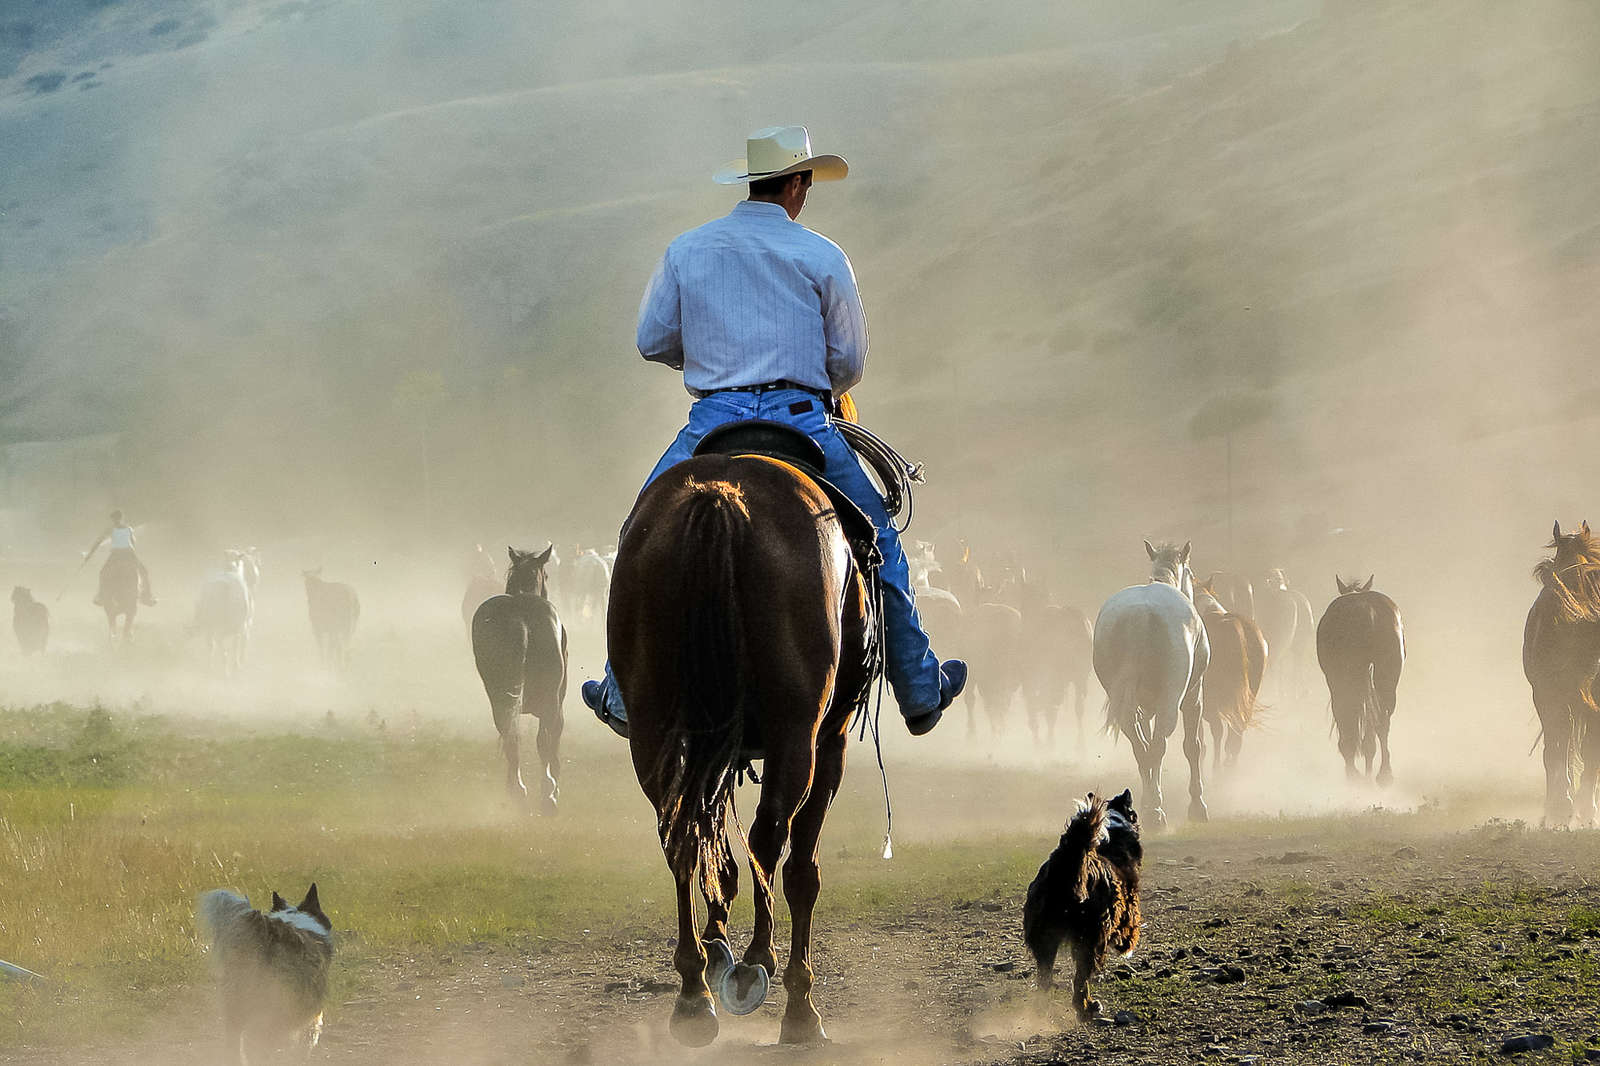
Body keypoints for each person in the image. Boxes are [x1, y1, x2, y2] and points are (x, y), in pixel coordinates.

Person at [581, 125, 966, 738]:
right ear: (797, 184)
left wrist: (712, 357)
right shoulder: (821, 254)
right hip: (802, 420)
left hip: (714, 420)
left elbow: (652, 341)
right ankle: (919, 689)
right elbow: (850, 362)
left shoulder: (687, 250)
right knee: (877, 537)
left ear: (750, 182)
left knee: (642, 531)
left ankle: (622, 692)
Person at [86, 509, 157, 607]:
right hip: (129, 554)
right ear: (121, 518)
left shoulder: (111, 529)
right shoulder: (128, 528)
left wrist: (90, 554)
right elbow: (133, 542)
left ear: (113, 519)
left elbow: (99, 541)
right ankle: (147, 596)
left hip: (116, 555)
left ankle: (101, 596)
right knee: (144, 572)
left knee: (103, 573)